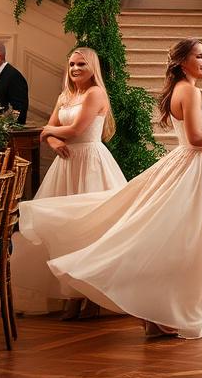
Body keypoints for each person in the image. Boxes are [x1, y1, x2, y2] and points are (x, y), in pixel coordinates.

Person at [17, 38, 202, 338]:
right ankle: (163, 310)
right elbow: (195, 137)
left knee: (187, 238)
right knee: (193, 238)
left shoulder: (182, 89)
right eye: (199, 56)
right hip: (195, 165)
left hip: (195, 165)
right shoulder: (189, 90)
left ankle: (158, 312)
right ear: (181, 62)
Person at [12, 47, 126, 319]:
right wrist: (51, 137)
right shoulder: (65, 95)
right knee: (62, 231)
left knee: (90, 230)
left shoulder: (95, 93)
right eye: (72, 64)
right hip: (66, 165)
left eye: (81, 65)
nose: (75, 69)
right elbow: (50, 132)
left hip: (91, 163)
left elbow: (76, 130)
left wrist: (48, 131)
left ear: (92, 69)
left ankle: (92, 297)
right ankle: (70, 296)